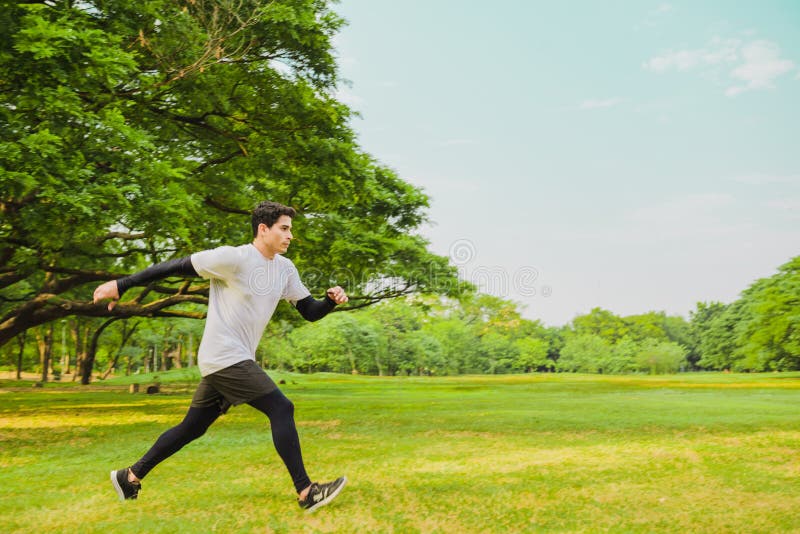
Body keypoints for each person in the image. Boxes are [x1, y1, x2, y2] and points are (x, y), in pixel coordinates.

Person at [93, 201, 348, 512]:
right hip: (224, 356)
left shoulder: (285, 269)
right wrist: (121, 284)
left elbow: (309, 311)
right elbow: (176, 266)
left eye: (290, 229)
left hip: (232, 360)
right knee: (281, 407)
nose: (290, 235)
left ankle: (129, 476)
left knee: (192, 427)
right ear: (263, 229)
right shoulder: (234, 258)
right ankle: (306, 492)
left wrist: (330, 301)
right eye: (284, 228)